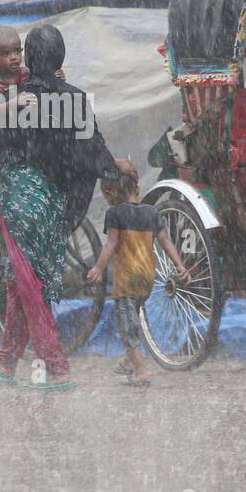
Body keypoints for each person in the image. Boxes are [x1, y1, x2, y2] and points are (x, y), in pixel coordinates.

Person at [0, 24, 117, 390]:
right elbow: (97, 159)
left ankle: (55, 365)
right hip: (57, 207)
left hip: (20, 203)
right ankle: (7, 358)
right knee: (21, 279)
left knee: (27, 281)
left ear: (29, 57)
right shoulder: (75, 101)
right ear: (60, 58)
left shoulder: (18, 100)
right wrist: (73, 205)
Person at [85, 160, 191, 386]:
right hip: (147, 281)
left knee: (126, 329)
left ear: (110, 192)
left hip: (126, 282)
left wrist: (98, 267)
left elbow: (111, 244)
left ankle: (140, 370)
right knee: (132, 318)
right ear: (137, 187)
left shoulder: (115, 213)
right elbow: (166, 241)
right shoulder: (151, 212)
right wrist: (180, 265)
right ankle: (129, 361)